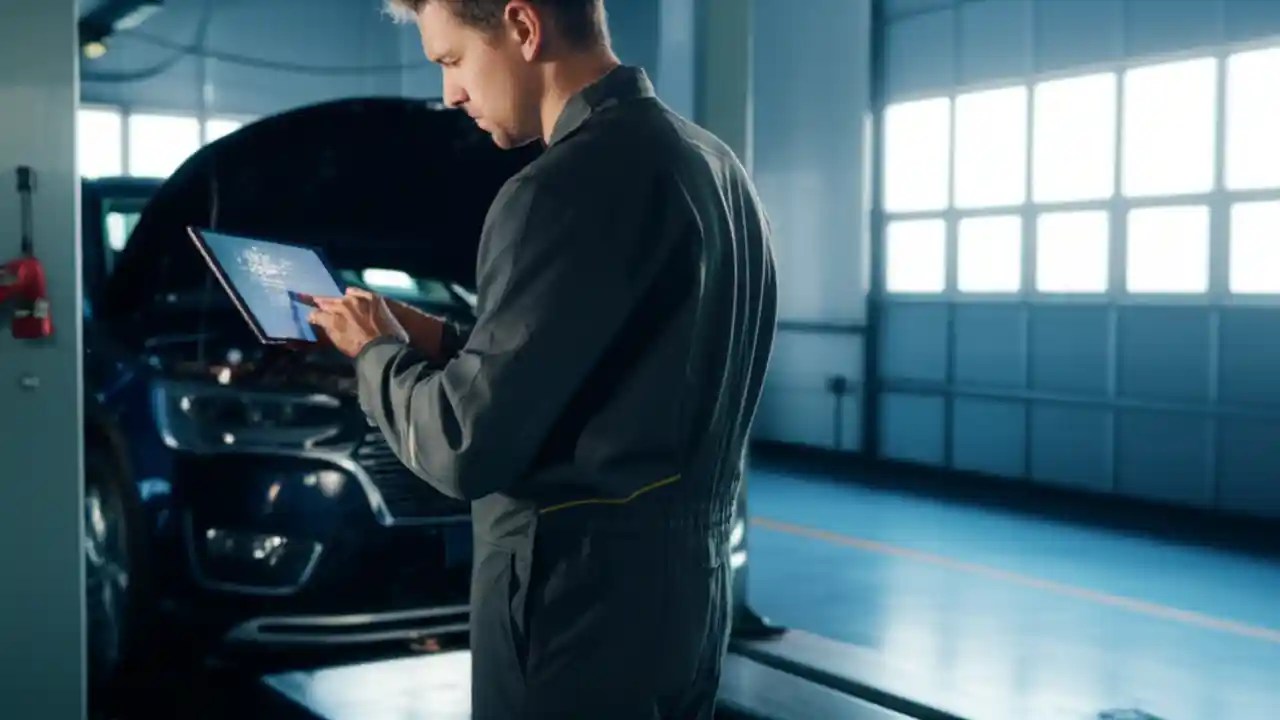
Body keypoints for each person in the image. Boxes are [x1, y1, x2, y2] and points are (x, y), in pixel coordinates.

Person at [306, 0, 777, 717]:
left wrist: (373, 355)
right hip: (689, 603)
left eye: (452, 60)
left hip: (572, 614)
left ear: (524, 27)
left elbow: (462, 446)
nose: (450, 93)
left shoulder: (553, 191)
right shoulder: (717, 169)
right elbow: (598, 366)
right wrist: (433, 338)